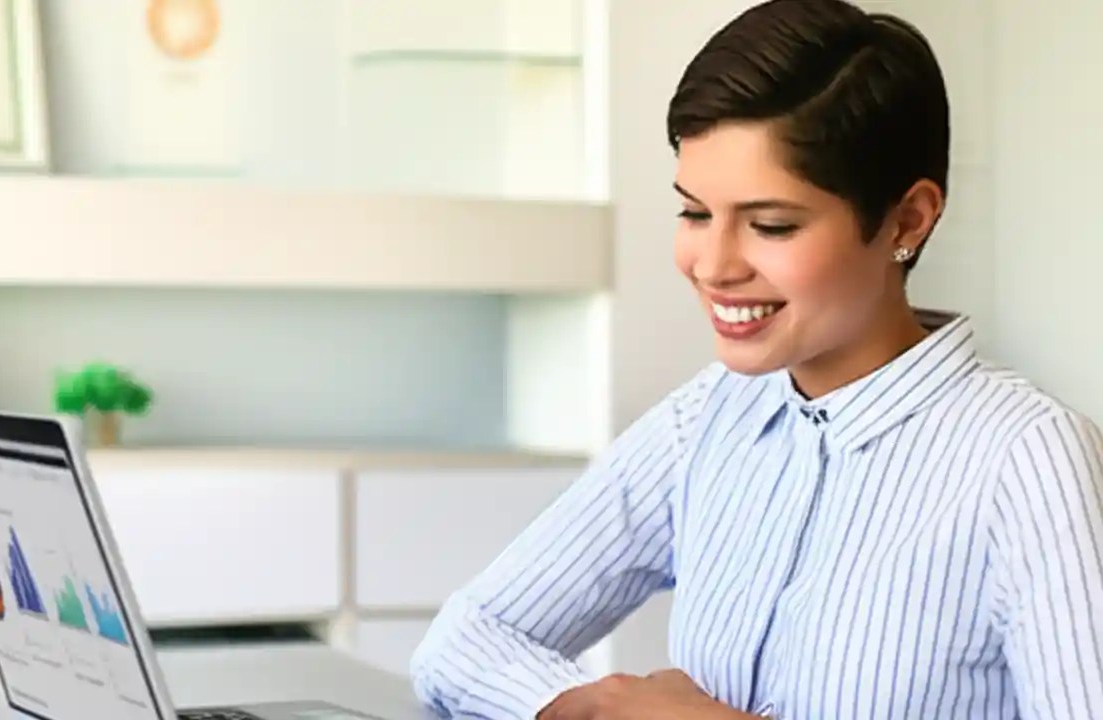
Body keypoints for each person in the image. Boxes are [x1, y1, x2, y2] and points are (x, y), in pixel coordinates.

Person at [408, 0, 1103, 718]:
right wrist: (604, 706)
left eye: (771, 225)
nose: (712, 265)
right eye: (695, 213)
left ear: (907, 220)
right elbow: (465, 643)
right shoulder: (710, 417)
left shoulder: (1028, 459)